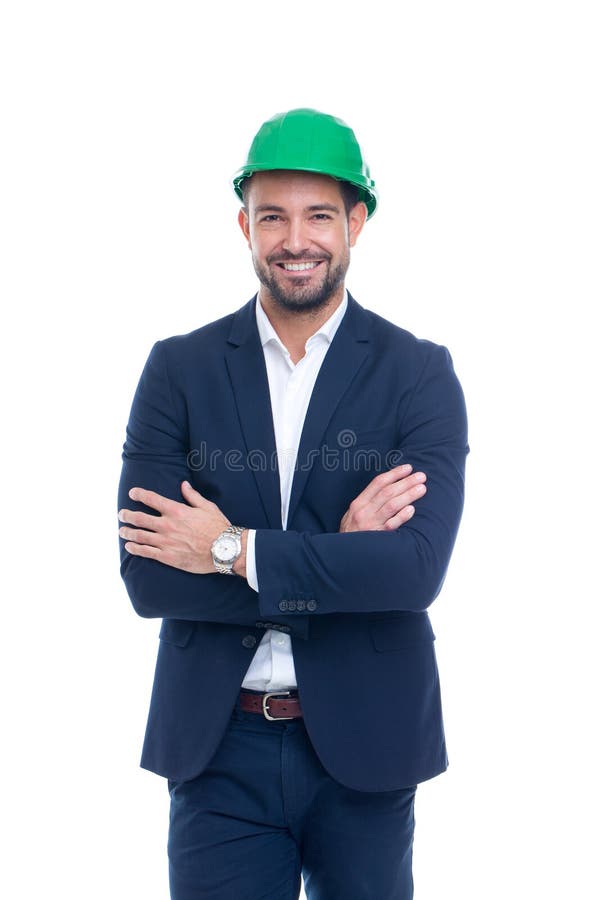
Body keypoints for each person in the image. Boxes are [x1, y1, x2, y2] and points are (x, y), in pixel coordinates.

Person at [118, 107, 469, 900]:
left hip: (369, 741)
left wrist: (229, 549)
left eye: (318, 215)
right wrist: (342, 555)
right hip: (218, 748)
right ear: (245, 225)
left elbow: (414, 571)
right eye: (272, 216)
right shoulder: (178, 370)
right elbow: (148, 577)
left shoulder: (418, 373)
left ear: (356, 223)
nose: (294, 239)